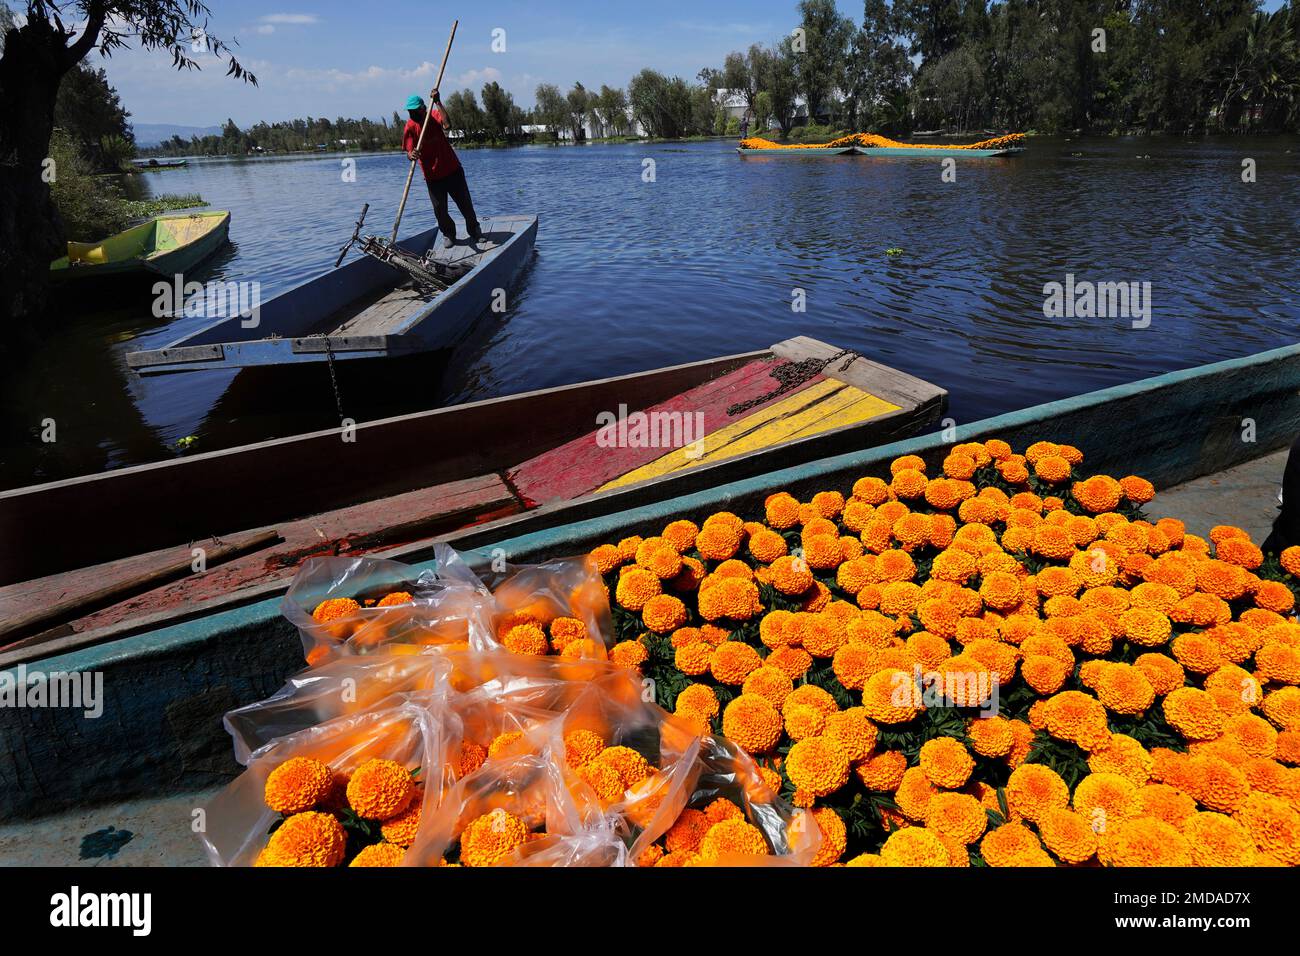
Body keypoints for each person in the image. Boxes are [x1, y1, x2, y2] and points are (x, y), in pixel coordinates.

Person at [402, 92, 481, 248]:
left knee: (465, 204)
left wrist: (437, 102)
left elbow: (447, 125)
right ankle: (449, 234)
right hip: (432, 176)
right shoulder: (410, 126)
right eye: (409, 111)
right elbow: (408, 152)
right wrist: (412, 155)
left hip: (452, 170)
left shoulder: (433, 114)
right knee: (439, 210)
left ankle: (475, 231)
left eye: (414, 110)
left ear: (423, 108)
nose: (411, 113)